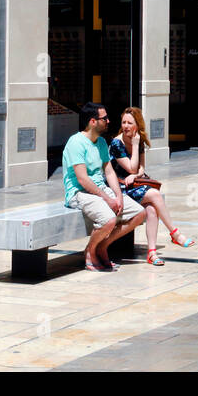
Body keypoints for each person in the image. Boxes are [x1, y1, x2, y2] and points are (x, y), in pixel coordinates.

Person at [63, 103, 147, 272]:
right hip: (80, 192)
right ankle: (90, 251)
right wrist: (108, 199)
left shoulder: (100, 142)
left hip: (100, 190)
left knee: (139, 213)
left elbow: (109, 172)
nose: (109, 121)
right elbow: (82, 179)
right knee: (109, 220)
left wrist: (118, 196)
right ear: (93, 121)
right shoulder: (76, 143)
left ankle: (102, 246)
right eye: (104, 118)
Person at [109, 106, 196, 265]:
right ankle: (174, 233)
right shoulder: (117, 143)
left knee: (151, 209)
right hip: (117, 189)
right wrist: (134, 148)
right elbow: (131, 167)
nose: (126, 126)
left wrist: (134, 175)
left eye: (130, 123)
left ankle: (152, 253)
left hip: (132, 185)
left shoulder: (138, 139)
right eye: (124, 122)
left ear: (137, 124)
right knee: (155, 195)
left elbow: (140, 168)